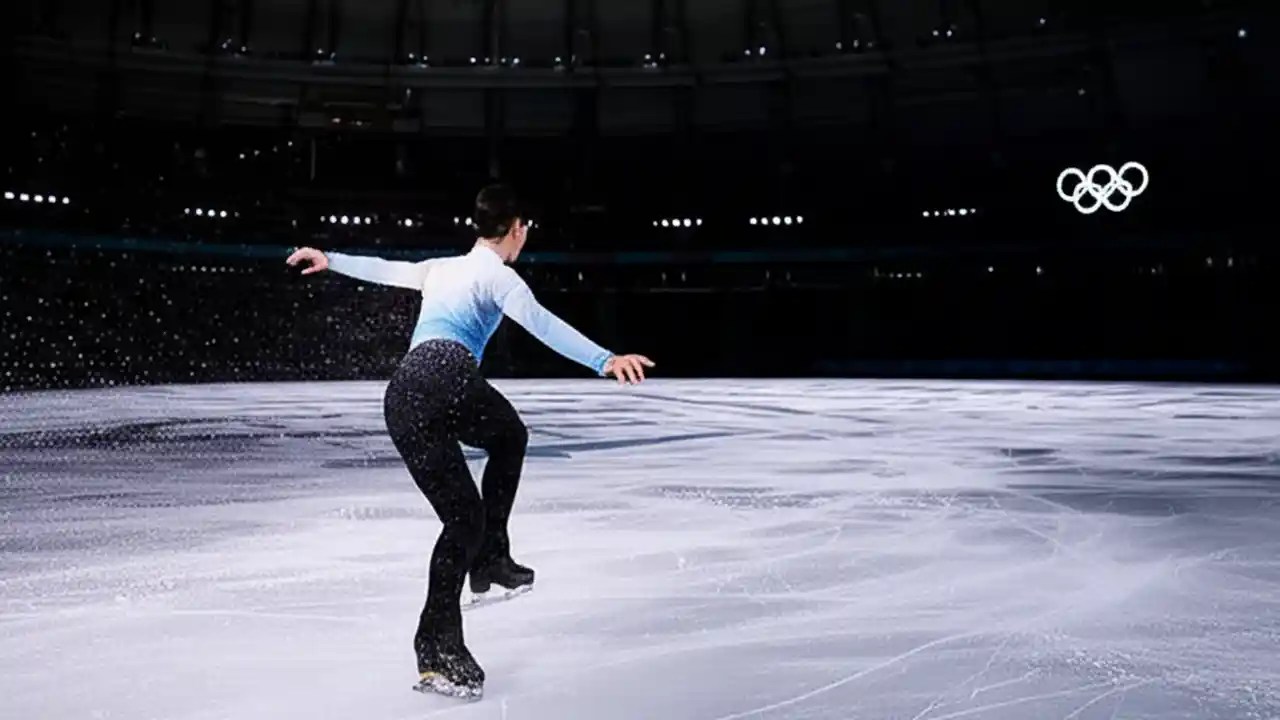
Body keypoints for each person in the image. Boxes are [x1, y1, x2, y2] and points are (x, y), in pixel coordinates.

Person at [285, 184, 654, 700]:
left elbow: (384, 267)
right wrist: (604, 359)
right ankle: (490, 559)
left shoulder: (440, 268)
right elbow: (541, 323)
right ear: (517, 228)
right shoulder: (498, 277)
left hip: (403, 395)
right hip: (446, 376)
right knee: (510, 440)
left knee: (462, 520)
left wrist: (331, 258)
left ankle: (437, 648)